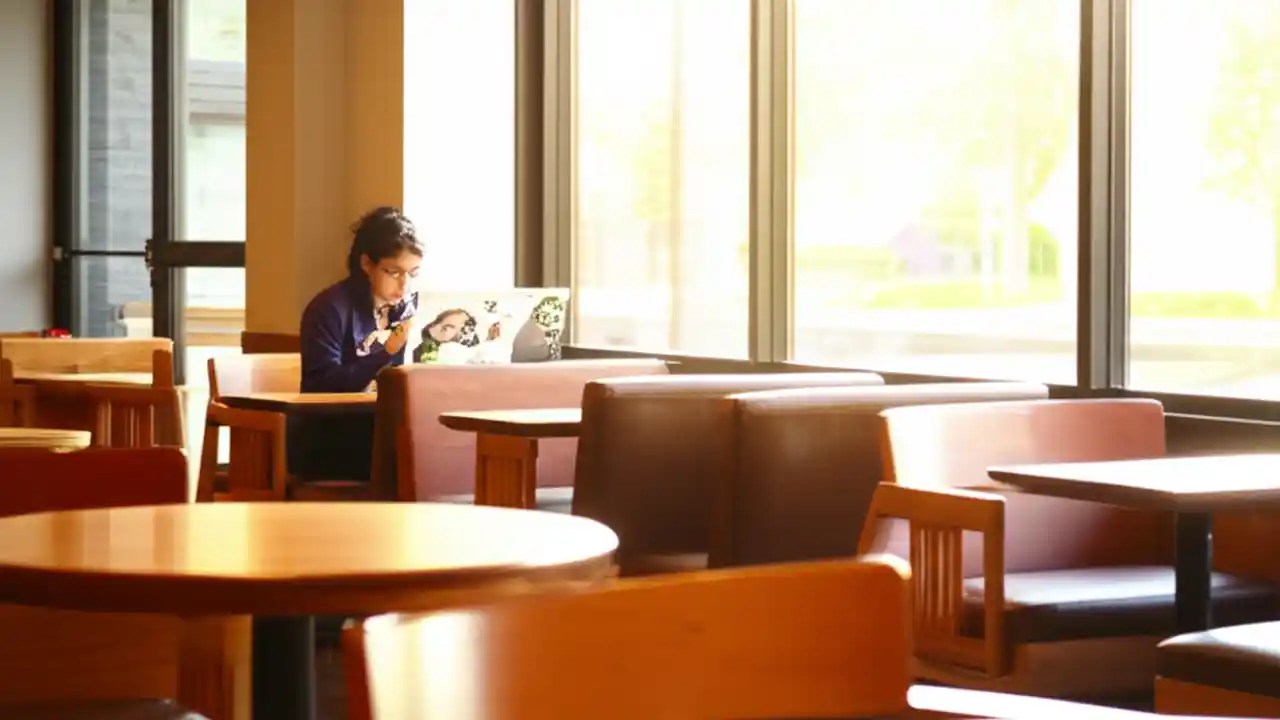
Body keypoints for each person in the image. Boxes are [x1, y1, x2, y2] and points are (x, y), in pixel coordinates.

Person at [293, 206, 424, 481]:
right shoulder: (330, 308)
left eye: (413, 274)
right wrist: (384, 353)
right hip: (333, 435)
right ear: (367, 264)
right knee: (414, 449)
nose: (404, 286)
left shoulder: (408, 308)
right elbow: (323, 386)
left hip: (382, 426)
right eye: (394, 272)